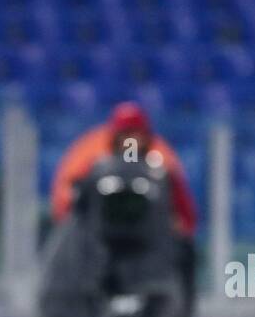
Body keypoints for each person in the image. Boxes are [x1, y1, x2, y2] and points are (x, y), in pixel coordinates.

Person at [49, 101, 196, 237]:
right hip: (100, 243)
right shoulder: (95, 167)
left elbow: (185, 219)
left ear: (146, 136)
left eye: (135, 135)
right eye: (125, 135)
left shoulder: (161, 170)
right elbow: (68, 208)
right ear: (115, 137)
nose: (130, 142)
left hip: (149, 244)